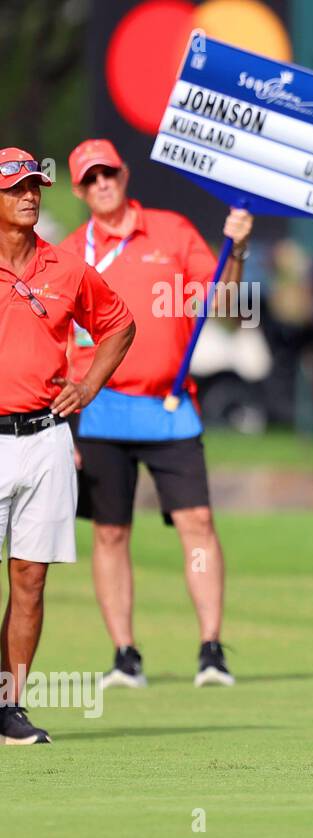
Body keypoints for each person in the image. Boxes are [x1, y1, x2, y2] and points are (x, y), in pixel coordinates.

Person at [60, 139, 254, 688]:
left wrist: (235, 251)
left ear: (124, 175)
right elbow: (53, 342)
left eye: (109, 173)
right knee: (110, 531)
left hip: (169, 404)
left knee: (198, 522)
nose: (102, 184)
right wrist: (60, 425)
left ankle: (211, 650)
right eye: (90, 178)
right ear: (79, 189)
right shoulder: (70, 253)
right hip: (99, 410)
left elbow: (225, 304)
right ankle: (125, 656)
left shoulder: (169, 231)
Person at [0, 147, 135, 743]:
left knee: (30, 579)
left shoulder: (67, 267)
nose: (29, 195)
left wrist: (87, 385)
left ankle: (9, 707)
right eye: (15, 188)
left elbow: (119, 324)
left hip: (47, 438)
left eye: (34, 185)